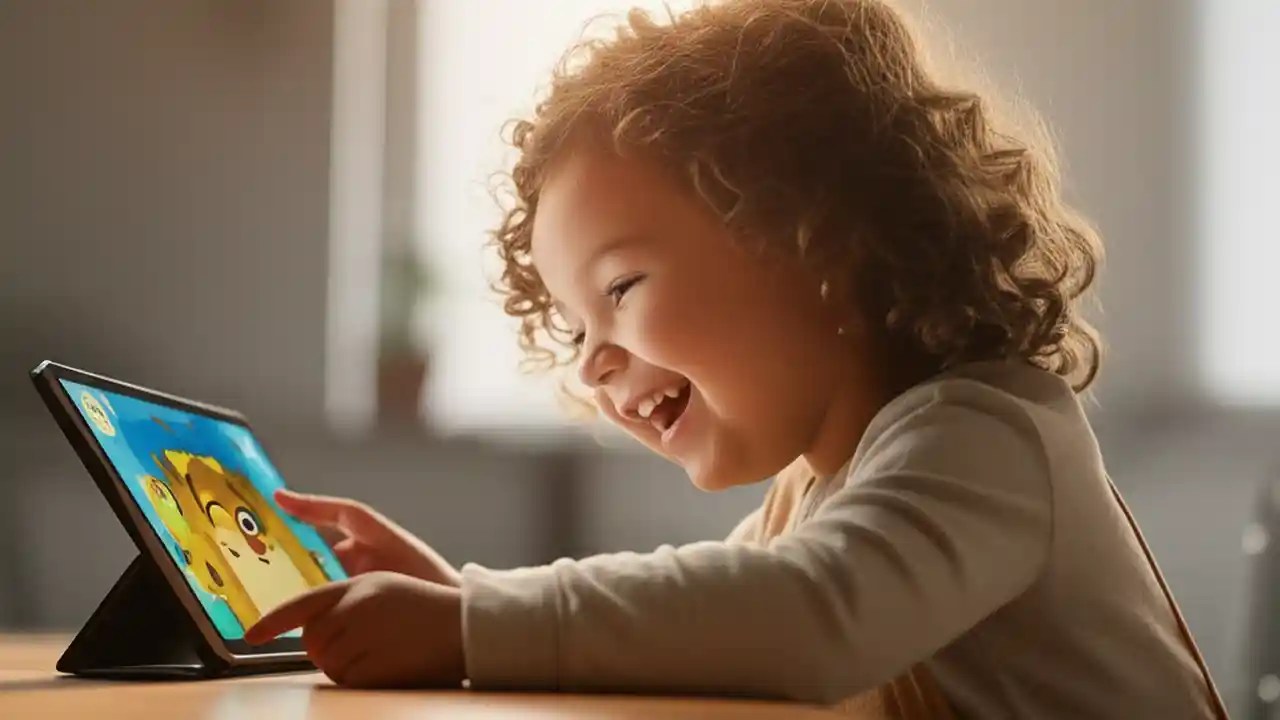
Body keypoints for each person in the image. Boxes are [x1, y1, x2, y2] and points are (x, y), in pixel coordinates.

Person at [246, 1, 1227, 716]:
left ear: (816, 236)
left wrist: (472, 626)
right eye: (577, 329)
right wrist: (463, 598)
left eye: (620, 289)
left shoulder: (987, 434)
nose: (591, 365)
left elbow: (806, 617)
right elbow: (707, 605)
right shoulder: (828, 484)